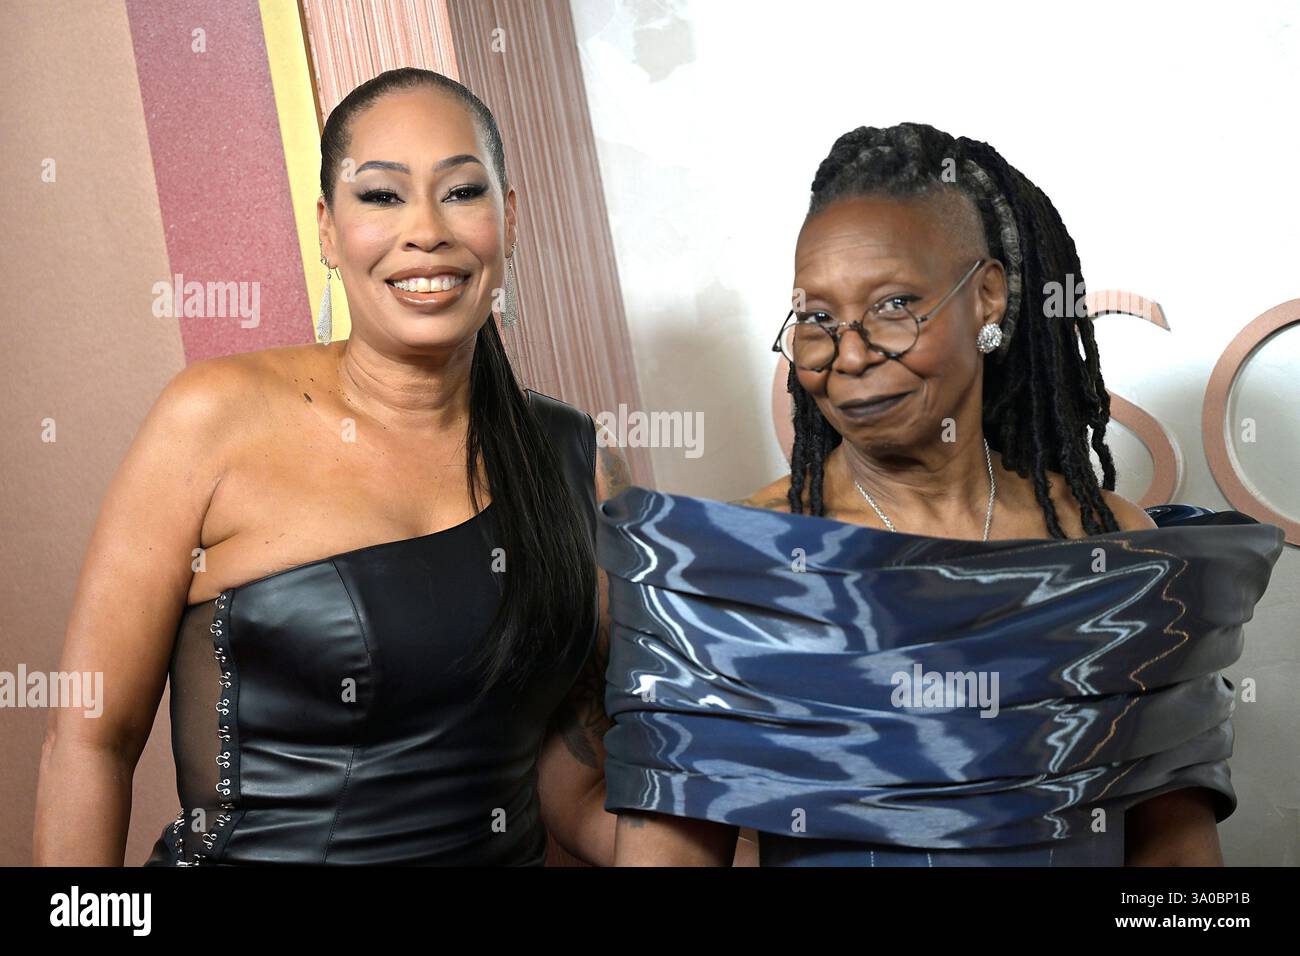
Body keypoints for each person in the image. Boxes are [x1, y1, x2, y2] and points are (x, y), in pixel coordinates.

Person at [600, 123, 1285, 866]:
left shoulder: (1112, 552)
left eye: (894, 305)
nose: (851, 354)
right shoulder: (721, 573)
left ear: (987, 296)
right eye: (817, 319)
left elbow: (1177, 864)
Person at [34, 68, 627, 866]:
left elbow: (576, 782)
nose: (426, 230)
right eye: (381, 196)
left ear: (508, 219)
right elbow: (89, 740)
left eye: (460, 192)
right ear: (326, 229)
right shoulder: (212, 418)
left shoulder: (576, 462)